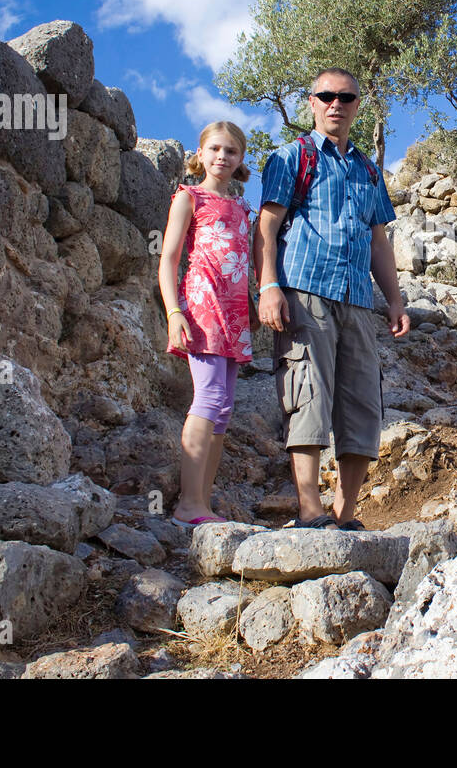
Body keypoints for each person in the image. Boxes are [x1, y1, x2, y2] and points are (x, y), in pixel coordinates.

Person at [254, 67, 409, 530]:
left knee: (362, 404)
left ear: (358, 105)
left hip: (359, 300)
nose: (335, 104)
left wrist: (395, 301)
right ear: (311, 102)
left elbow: (378, 241)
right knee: (307, 397)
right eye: (326, 96)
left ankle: (344, 514)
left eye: (346, 97)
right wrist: (268, 286)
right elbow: (266, 226)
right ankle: (309, 509)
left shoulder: (368, 169)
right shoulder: (290, 157)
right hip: (305, 292)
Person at [159, 120, 256, 528]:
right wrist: (174, 312)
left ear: (240, 159)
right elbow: (168, 259)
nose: (222, 157)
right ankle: (187, 503)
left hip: (235, 312)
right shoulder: (189, 197)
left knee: (224, 408)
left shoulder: (243, 208)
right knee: (209, 397)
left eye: (231, 151)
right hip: (201, 307)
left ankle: (202, 504)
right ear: (200, 154)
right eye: (215, 149)